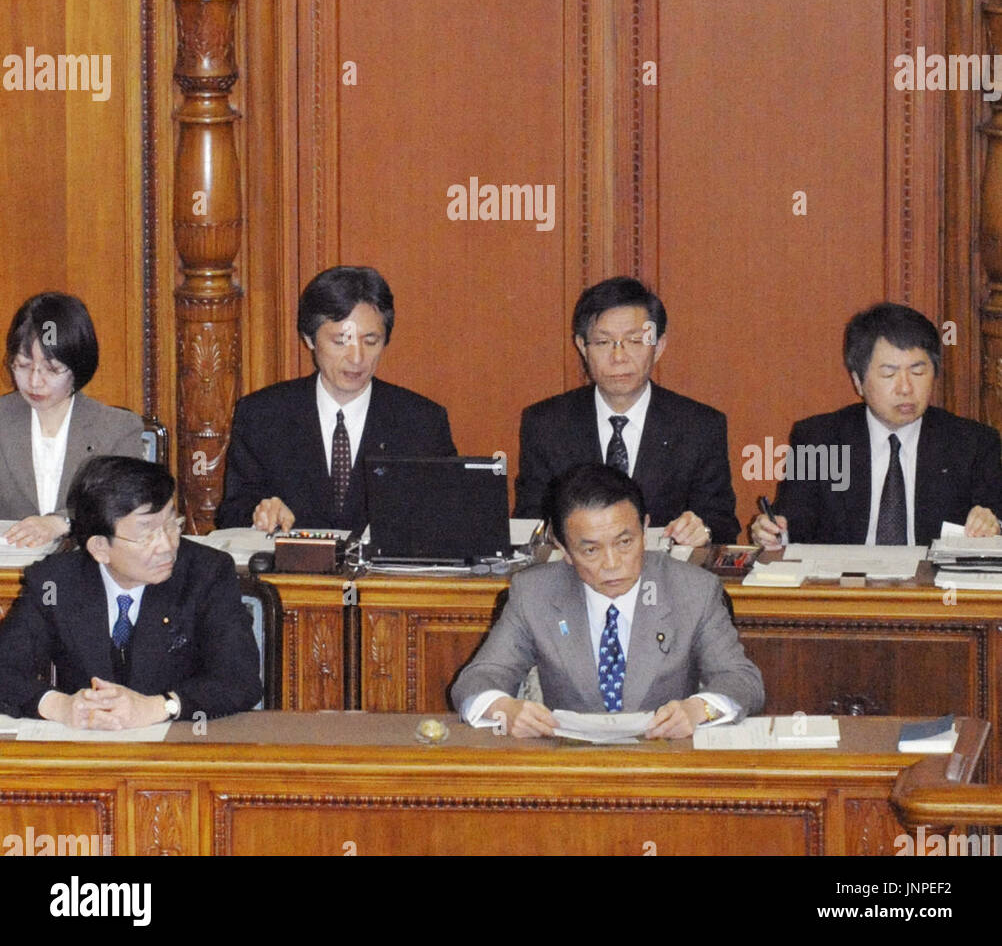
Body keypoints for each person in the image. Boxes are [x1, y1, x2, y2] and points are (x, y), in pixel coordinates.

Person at [453, 464, 763, 738]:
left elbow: (741, 680)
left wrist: (699, 710)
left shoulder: (693, 590)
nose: (612, 563)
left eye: (625, 542)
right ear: (564, 549)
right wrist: (504, 708)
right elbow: (476, 681)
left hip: (667, 766)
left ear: (645, 528)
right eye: (591, 550)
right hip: (569, 773)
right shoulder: (534, 593)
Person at [0, 455, 261, 727]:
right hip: (87, 750)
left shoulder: (207, 573)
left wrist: (161, 706)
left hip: (177, 746)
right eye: (147, 534)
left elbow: (239, 679)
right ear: (100, 548)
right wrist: (60, 706)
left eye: (172, 524)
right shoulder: (55, 582)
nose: (167, 545)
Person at [217, 265, 456, 533]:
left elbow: (447, 518)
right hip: (290, 574)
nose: (357, 358)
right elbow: (231, 515)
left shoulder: (422, 422)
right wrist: (258, 514)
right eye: (341, 341)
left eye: (370, 341)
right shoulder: (262, 415)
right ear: (309, 338)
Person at [750, 302, 1002, 548]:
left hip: (935, 587)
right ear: (858, 381)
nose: (905, 388)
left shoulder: (973, 444)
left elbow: (995, 518)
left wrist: (992, 525)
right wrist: (773, 533)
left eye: (917, 372)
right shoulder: (818, 439)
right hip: (842, 587)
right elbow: (793, 525)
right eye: (889, 374)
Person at [513, 276, 740, 545]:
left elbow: (722, 524)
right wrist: (556, 535)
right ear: (582, 347)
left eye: (634, 341)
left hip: (665, 579)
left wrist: (703, 531)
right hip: (573, 577)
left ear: (659, 347)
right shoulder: (546, 423)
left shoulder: (699, 426)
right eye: (603, 342)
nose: (619, 357)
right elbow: (529, 520)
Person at [0, 292, 144, 547]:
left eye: (52, 370)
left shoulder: (117, 429)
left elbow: (126, 507)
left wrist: (62, 522)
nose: (34, 382)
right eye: (22, 366)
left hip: (87, 571)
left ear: (79, 366)